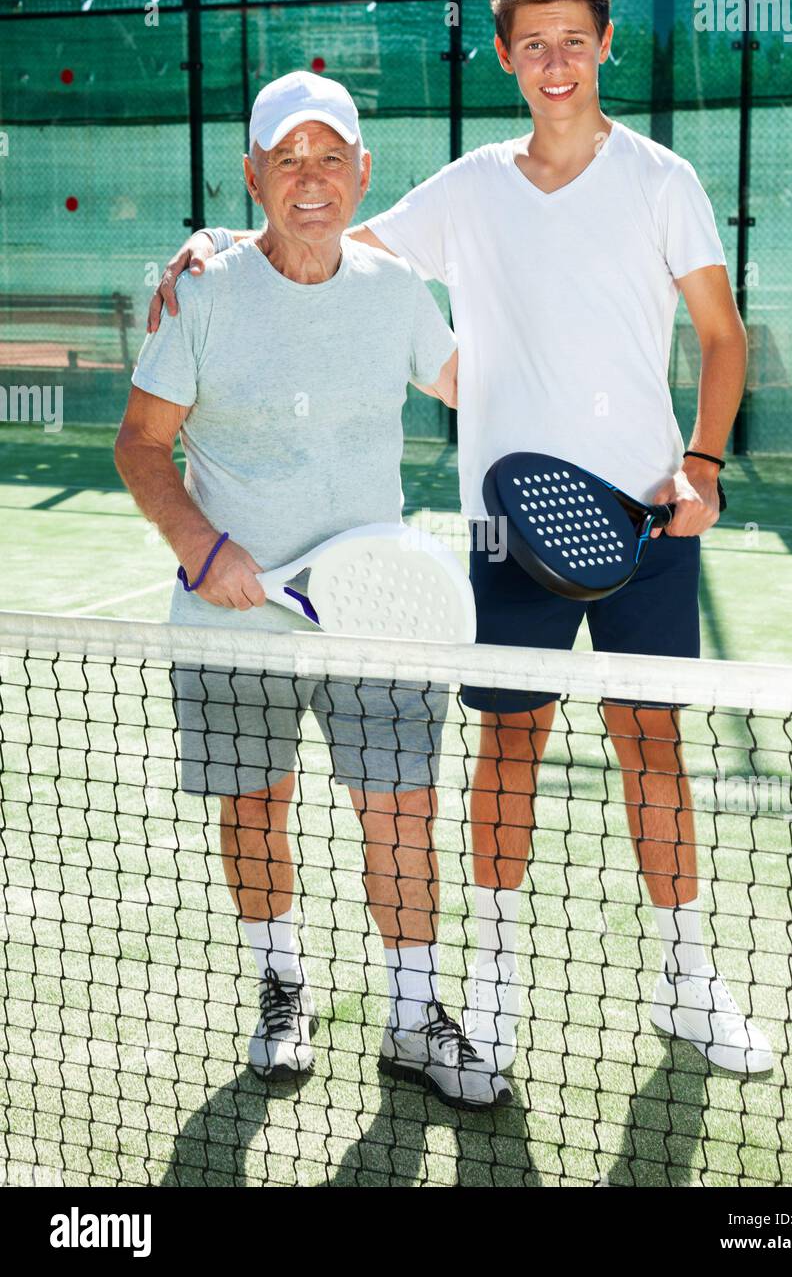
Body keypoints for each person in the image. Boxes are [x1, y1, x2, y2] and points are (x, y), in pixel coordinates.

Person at [147, 0, 773, 1077]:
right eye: (531, 44)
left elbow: (720, 337)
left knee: (654, 750)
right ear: (503, 55)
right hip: (505, 531)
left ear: (602, 46)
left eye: (573, 41)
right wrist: (221, 247)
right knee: (508, 749)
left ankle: (688, 978)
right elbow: (329, 240)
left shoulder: (660, 179)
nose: (554, 62)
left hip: (642, 520)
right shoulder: (471, 185)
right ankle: (488, 988)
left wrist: (700, 463)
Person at [118, 69, 510, 1108]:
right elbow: (142, 445)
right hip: (227, 621)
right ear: (252, 175)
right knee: (253, 810)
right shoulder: (198, 291)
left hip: (377, 610)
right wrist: (202, 548)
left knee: (401, 811)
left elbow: (482, 387)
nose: (309, 178)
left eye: (329, 156)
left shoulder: (394, 293)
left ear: (361, 173)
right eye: (285, 158)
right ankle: (280, 983)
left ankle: (414, 1015)